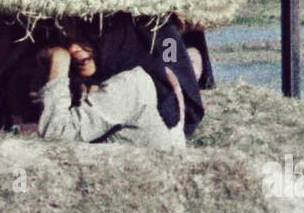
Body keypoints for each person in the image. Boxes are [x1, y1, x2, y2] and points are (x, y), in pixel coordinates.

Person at [34, 15, 205, 151]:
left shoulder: (128, 86)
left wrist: (59, 63)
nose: (72, 49)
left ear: (112, 38)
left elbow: (55, 135)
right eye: (66, 42)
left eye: (84, 38)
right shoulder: (142, 73)